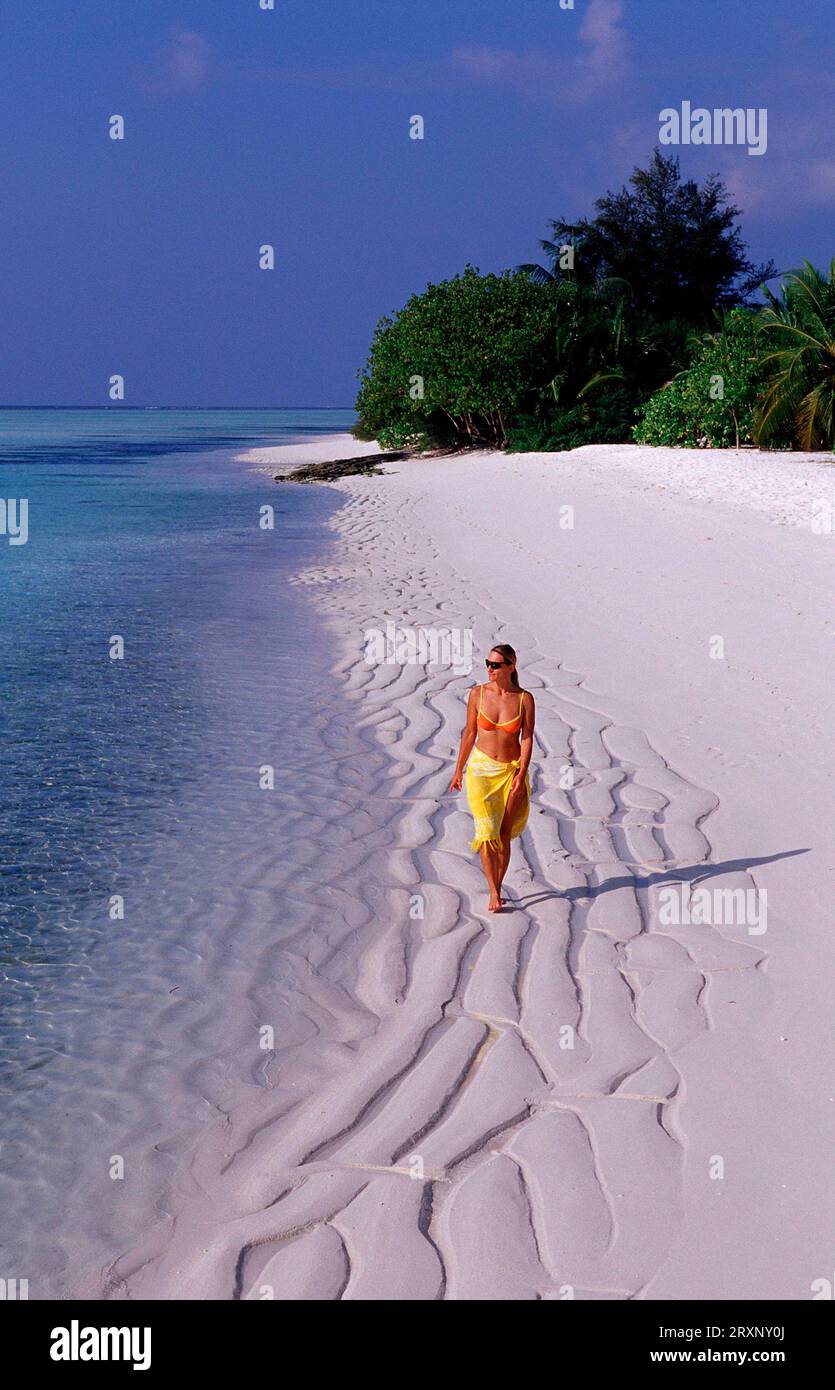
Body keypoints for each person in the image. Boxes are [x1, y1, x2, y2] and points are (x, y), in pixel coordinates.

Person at [449, 643, 534, 912]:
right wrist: (458, 769)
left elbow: (527, 737)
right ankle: (494, 891)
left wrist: (521, 773)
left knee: (504, 834)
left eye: (496, 665)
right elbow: (469, 733)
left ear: (511, 667)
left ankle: (498, 881)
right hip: (480, 772)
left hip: (510, 771)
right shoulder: (477, 694)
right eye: (488, 663)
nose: (490, 669)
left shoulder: (524, 699)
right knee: (486, 834)